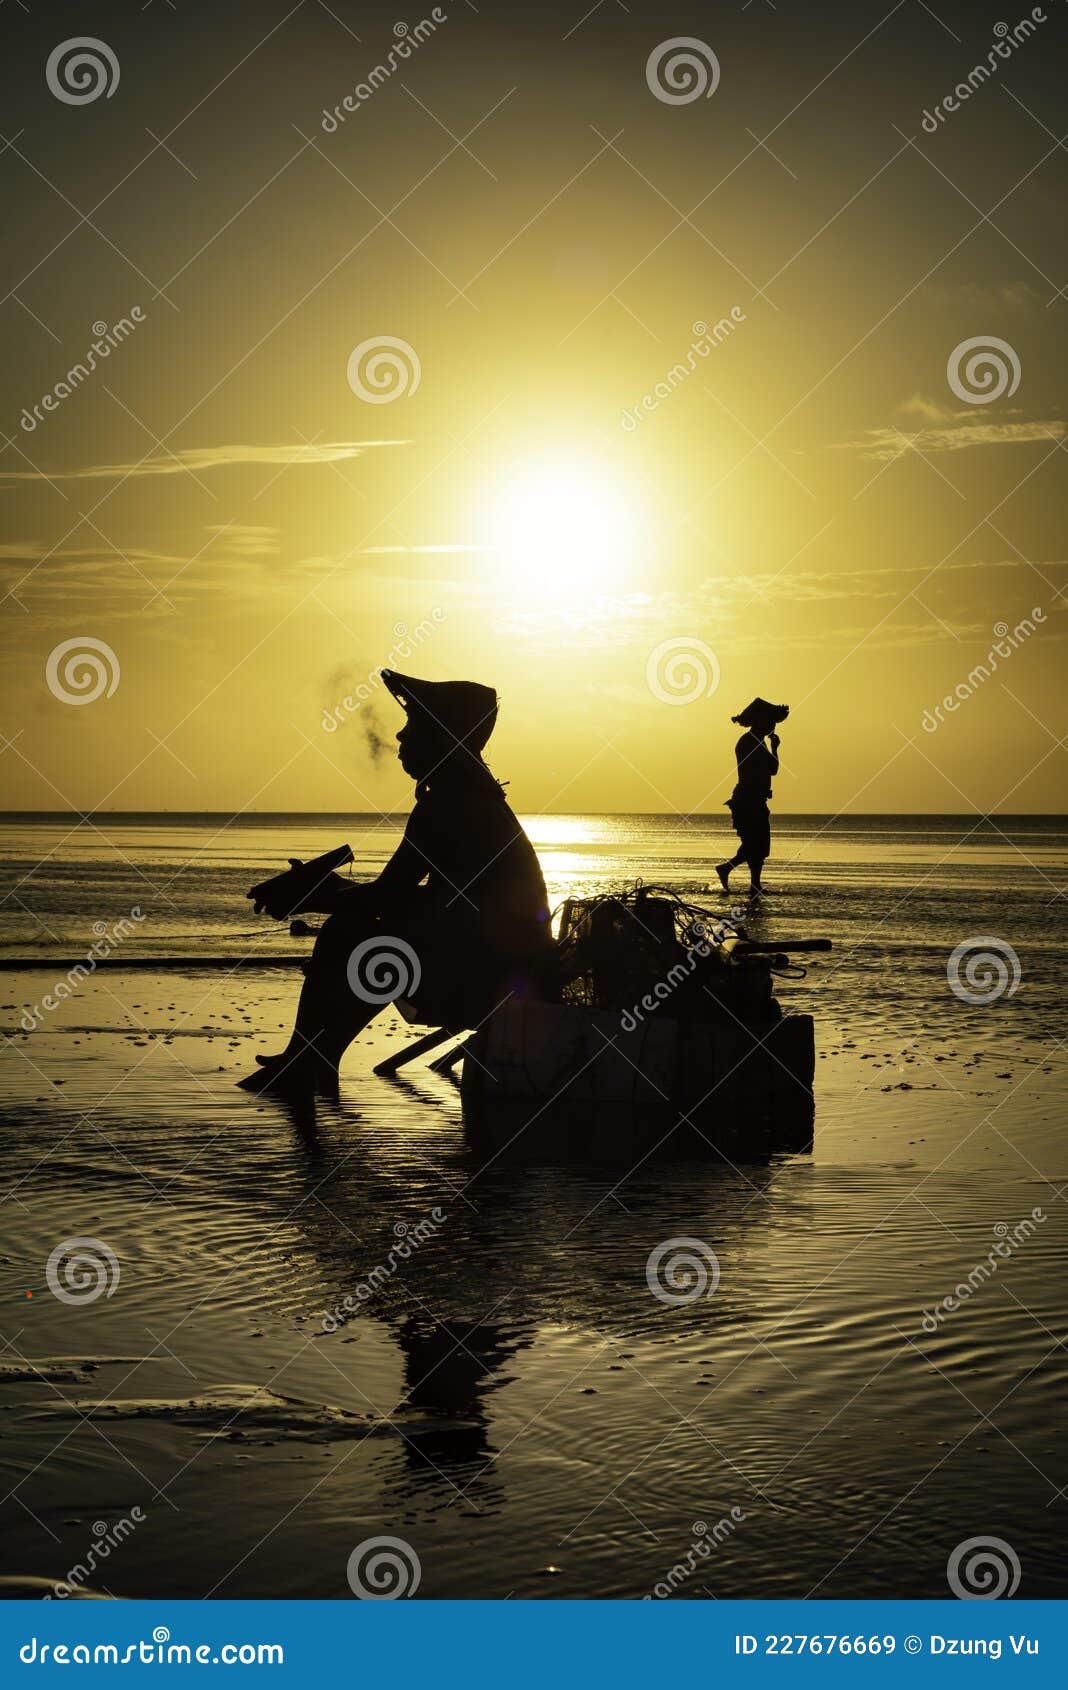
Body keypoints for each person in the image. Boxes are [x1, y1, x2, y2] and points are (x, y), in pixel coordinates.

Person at [241, 670, 552, 1092]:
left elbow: (388, 897)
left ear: (439, 738)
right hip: (504, 961)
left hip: (490, 974)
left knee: (351, 934)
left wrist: (313, 897)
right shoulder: (470, 797)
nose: (401, 739)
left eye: (413, 728)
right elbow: (405, 897)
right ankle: (311, 1059)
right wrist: (327, 890)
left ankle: (309, 1061)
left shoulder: (447, 804)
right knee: (356, 931)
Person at [716, 698, 789, 897]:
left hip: (757, 800)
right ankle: (738, 875)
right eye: (769, 722)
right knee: (753, 843)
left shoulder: (761, 743)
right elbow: (763, 770)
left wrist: (775, 749)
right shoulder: (747, 742)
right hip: (747, 800)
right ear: (759, 722)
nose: (772, 726)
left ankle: (748, 880)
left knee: (758, 844)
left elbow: (773, 770)